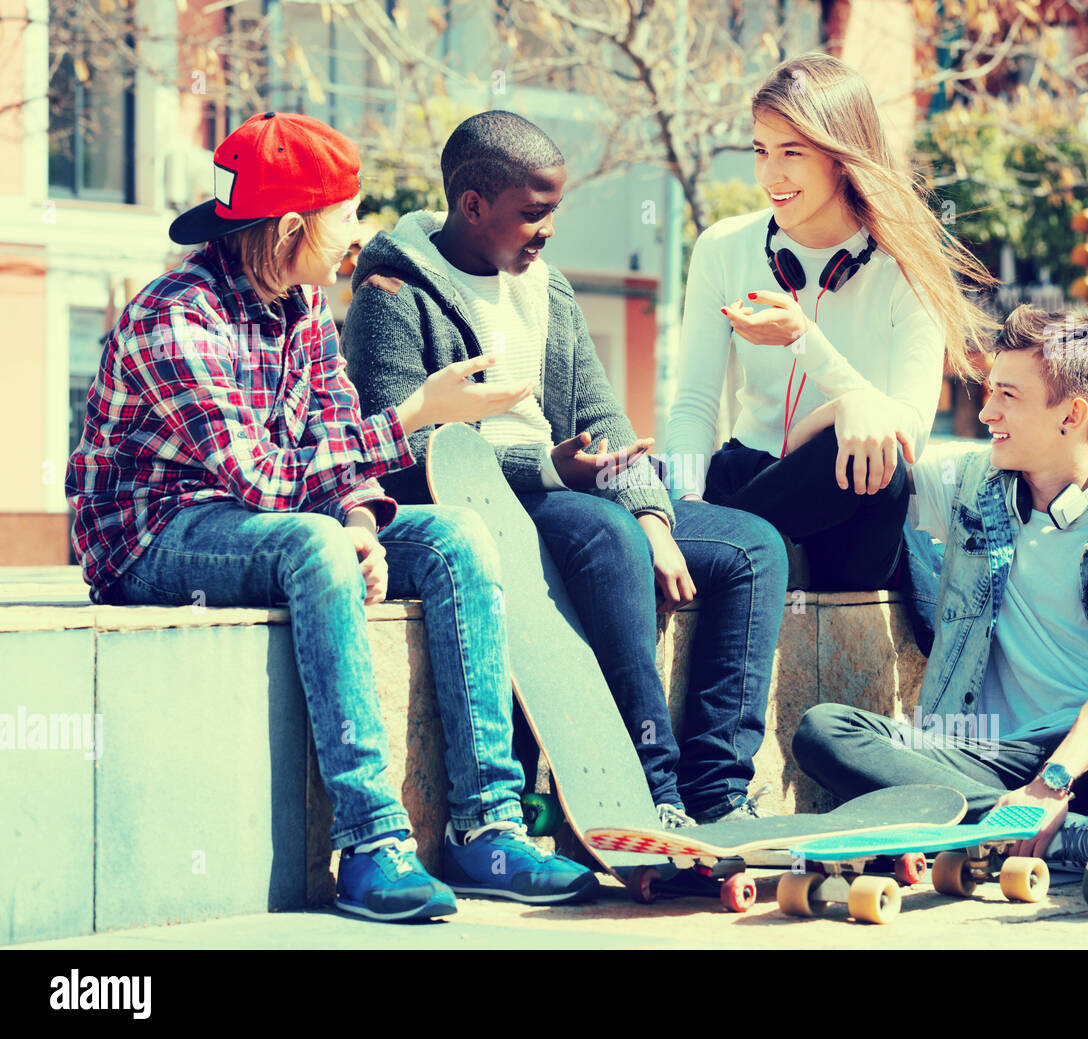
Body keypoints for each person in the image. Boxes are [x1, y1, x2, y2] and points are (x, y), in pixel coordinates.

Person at [64, 112, 597, 920]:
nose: (362, 230)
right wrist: (417, 412)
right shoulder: (174, 320)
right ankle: (370, 843)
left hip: (263, 514)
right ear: (289, 230)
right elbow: (264, 478)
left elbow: (328, 435)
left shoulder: (305, 304)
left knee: (455, 534)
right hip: (154, 535)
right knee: (312, 546)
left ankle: (486, 825)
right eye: (345, 214)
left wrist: (357, 514)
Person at [341, 110, 788, 827]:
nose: (548, 231)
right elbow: (395, 452)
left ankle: (719, 791)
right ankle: (656, 793)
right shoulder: (392, 296)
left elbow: (603, 418)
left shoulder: (547, 289)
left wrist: (654, 517)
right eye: (533, 214)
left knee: (751, 547)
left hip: (577, 489)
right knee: (606, 535)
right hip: (489, 500)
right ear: (474, 205)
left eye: (554, 212)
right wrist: (546, 469)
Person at [791, 305, 1088, 918]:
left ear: (1072, 415)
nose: (987, 412)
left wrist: (1056, 782)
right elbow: (805, 462)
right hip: (1001, 757)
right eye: (991, 392)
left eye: (1008, 397)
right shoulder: (971, 481)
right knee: (825, 732)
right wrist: (851, 404)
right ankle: (1080, 841)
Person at [663, 53, 998, 592]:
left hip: (850, 492)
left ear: (843, 158)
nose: (771, 174)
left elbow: (908, 434)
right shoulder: (722, 247)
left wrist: (807, 346)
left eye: (792, 152)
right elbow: (696, 402)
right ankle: (721, 541)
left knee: (877, 462)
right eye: (760, 150)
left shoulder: (909, 268)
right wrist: (686, 503)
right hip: (751, 480)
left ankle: (732, 548)